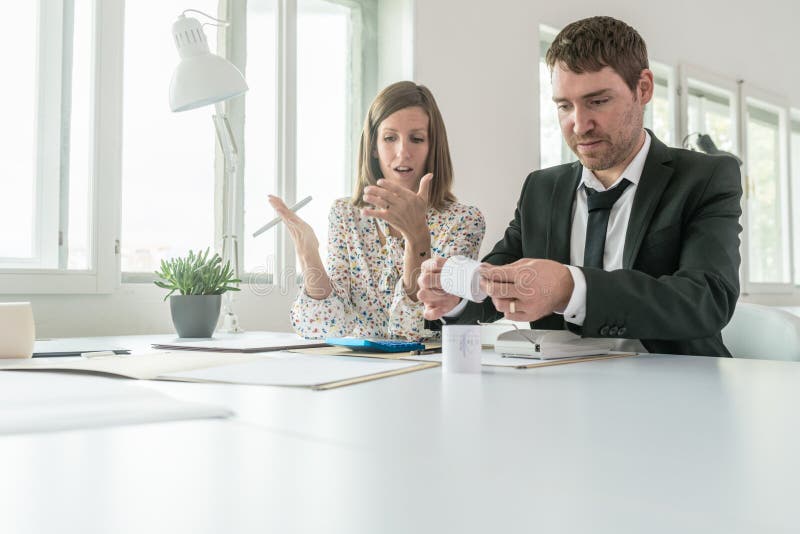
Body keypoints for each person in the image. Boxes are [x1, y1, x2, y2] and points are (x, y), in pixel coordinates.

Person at [417, 16, 742, 357]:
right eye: (564, 106)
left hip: (681, 392)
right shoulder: (541, 189)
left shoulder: (706, 177)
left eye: (598, 101)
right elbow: (497, 280)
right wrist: (455, 297)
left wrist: (570, 288)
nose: (580, 124)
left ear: (643, 88)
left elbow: (707, 299)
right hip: (561, 390)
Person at [270, 81, 485, 340]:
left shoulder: (463, 221)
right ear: (373, 146)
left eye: (416, 139)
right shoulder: (345, 215)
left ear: (433, 147)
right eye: (390, 138)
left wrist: (417, 236)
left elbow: (416, 330)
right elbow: (325, 328)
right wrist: (308, 255)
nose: (402, 152)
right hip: (361, 371)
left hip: (429, 371)